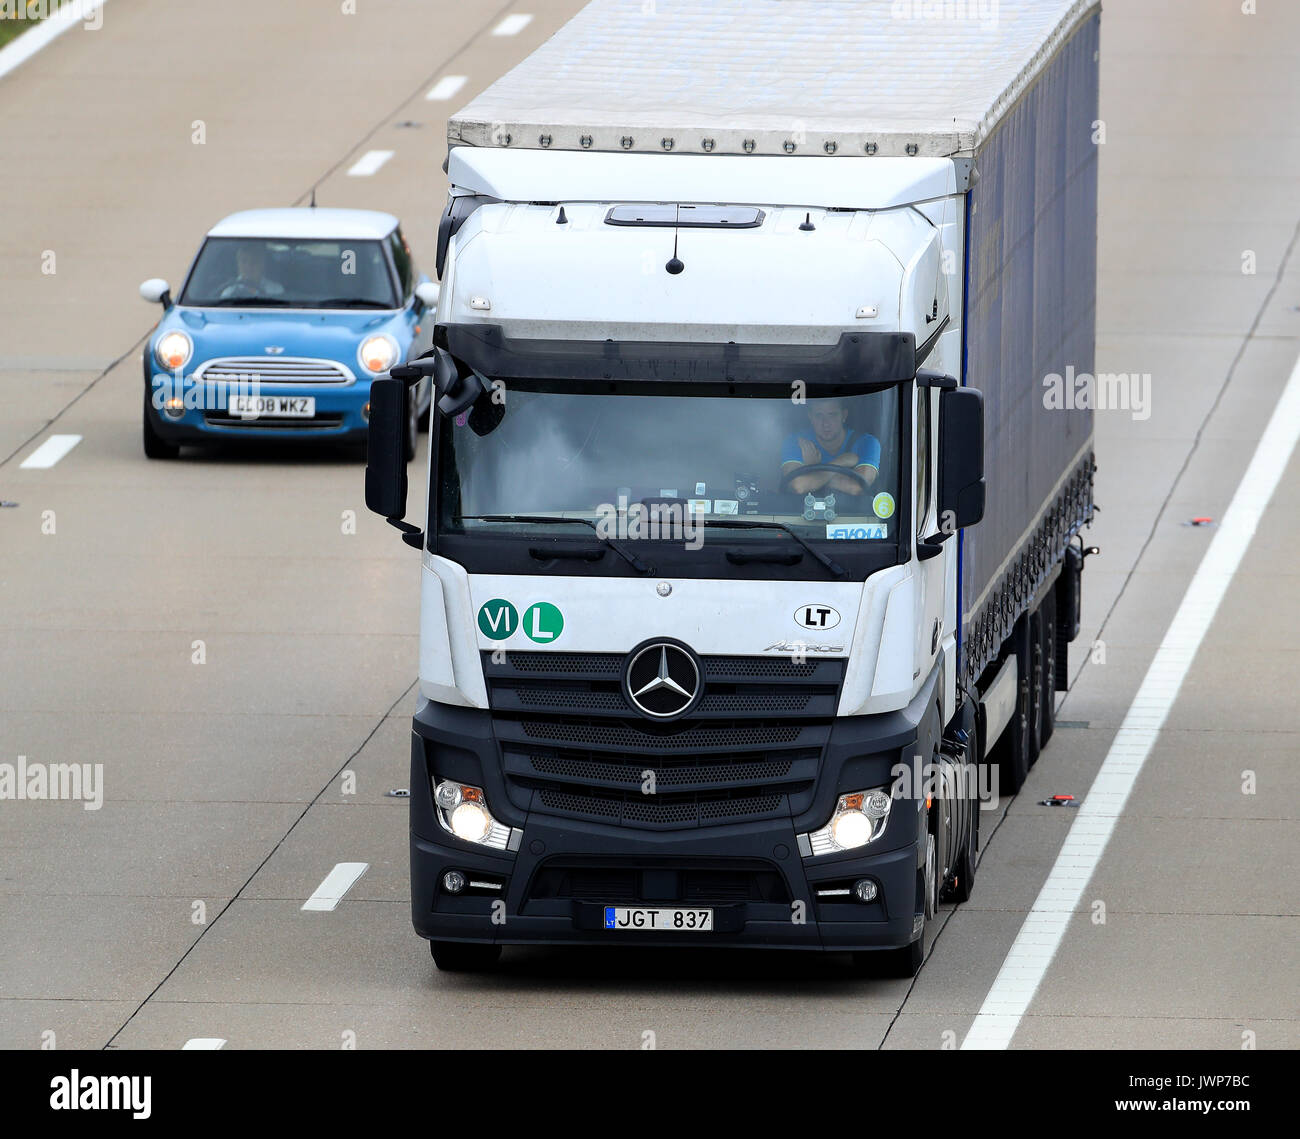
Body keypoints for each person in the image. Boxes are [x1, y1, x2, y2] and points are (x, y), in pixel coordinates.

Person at [780, 397, 879, 495]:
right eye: (819, 415)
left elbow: (857, 487)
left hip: (852, 511)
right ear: (810, 417)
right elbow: (797, 486)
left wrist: (812, 473)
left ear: (844, 416)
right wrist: (840, 462)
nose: (826, 423)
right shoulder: (797, 442)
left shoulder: (867, 442)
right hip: (803, 510)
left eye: (832, 415)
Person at [219, 244, 285, 300]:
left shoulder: (276, 290)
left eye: (254, 261)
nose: (248, 266)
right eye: (244, 261)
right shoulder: (229, 292)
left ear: (262, 264)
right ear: (238, 264)